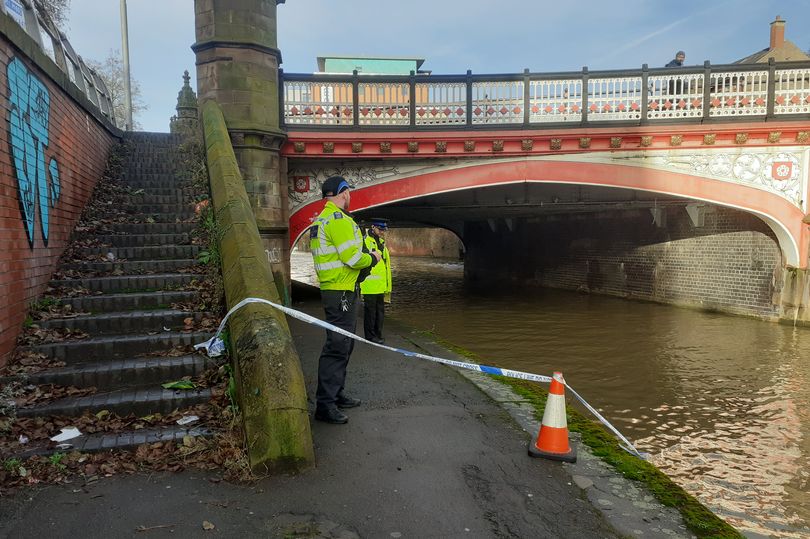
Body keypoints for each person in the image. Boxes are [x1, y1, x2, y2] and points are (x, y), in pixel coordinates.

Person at [310, 176, 381, 424]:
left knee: (343, 344)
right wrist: (372, 257)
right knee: (337, 347)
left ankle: (335, 393)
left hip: (337, 289)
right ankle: (325, 405)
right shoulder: (338, 220)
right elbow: (353, 258)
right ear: (344, 193)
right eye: (348, 192)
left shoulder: (322, 219)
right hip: (341, 292)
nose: (350, 197)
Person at [360, 219, 392, 345]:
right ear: (373, 227)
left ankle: (378, 334)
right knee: (370, 313)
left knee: (379, 312)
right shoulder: (366, 242)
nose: (382, 233)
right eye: (380, 230)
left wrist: (387, 285)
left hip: (380, 285)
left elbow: (385, 266)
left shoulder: (382, 243)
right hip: (369, 285)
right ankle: (370, 336)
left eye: (383, 230)